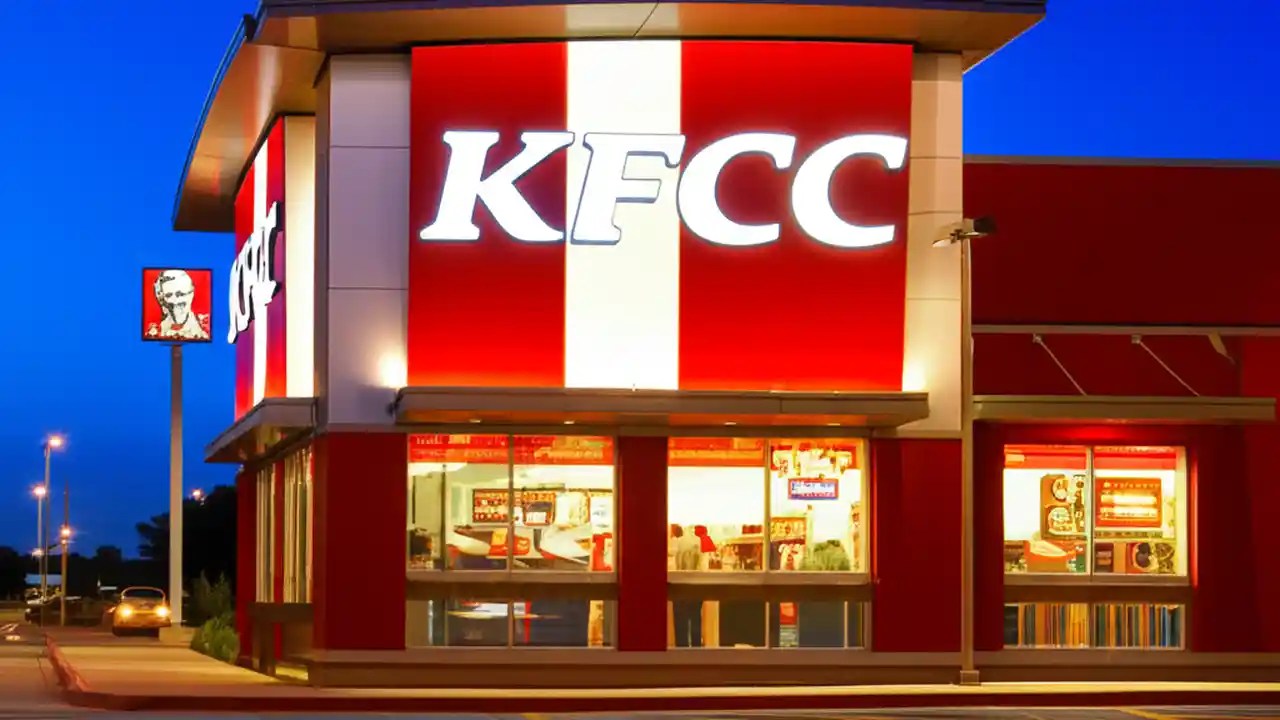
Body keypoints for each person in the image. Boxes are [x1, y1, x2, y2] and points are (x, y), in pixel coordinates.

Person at [147, 269, 210, 341]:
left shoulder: (208, 327)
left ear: (191, 295)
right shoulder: (153, 334)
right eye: (168, 295)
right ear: (161, 299)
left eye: (180, 294)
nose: (175, 301)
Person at [671, 525, 703, 647]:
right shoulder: (699, 542)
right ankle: (696, 649)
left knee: (680, 623)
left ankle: (681, 650)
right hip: (696, 587)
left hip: (679, 588)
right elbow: (703, 567)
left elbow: (672, 566)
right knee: (695, 619)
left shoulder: (676, 543)